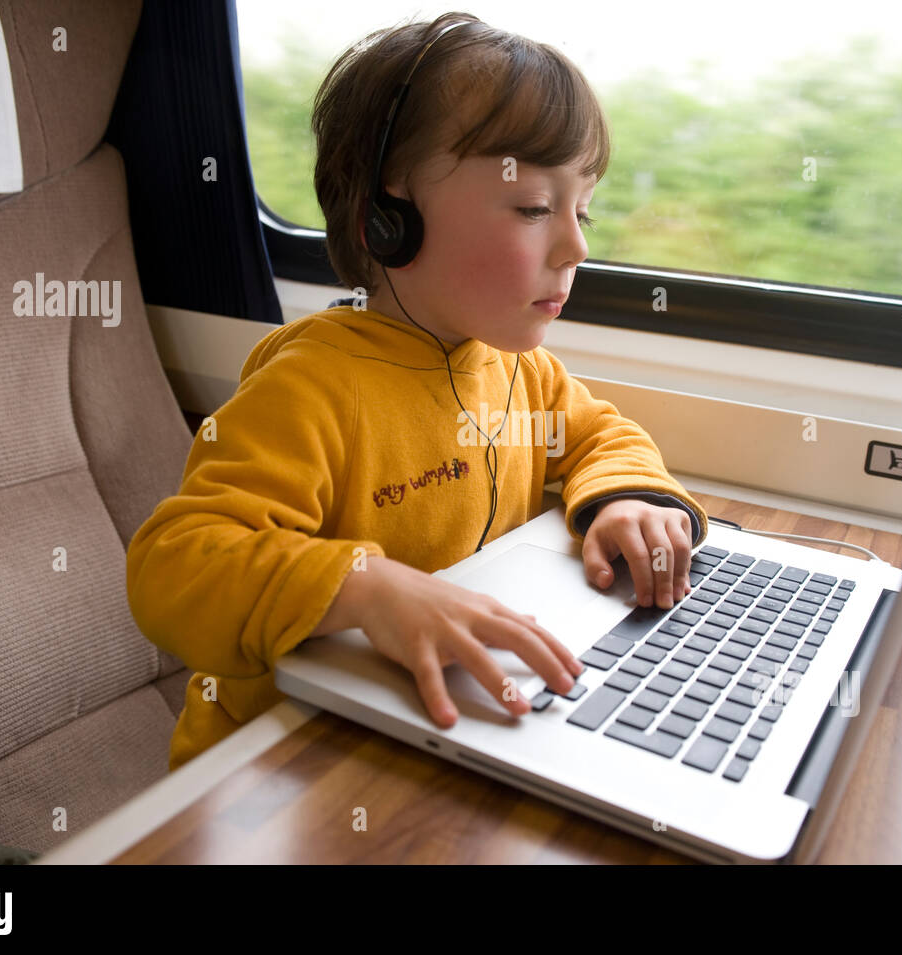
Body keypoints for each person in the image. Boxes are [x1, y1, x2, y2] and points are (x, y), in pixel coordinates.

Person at [126, 11, 710, 772]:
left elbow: (605, 435)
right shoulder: (313, 388)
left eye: (582, 208)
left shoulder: (518, 371)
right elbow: (176, 565)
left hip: (428, 730)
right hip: (280, 771)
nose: (577, 245)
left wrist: (628, 499)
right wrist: (368, 589)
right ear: (389, 219)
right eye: (535, 206)